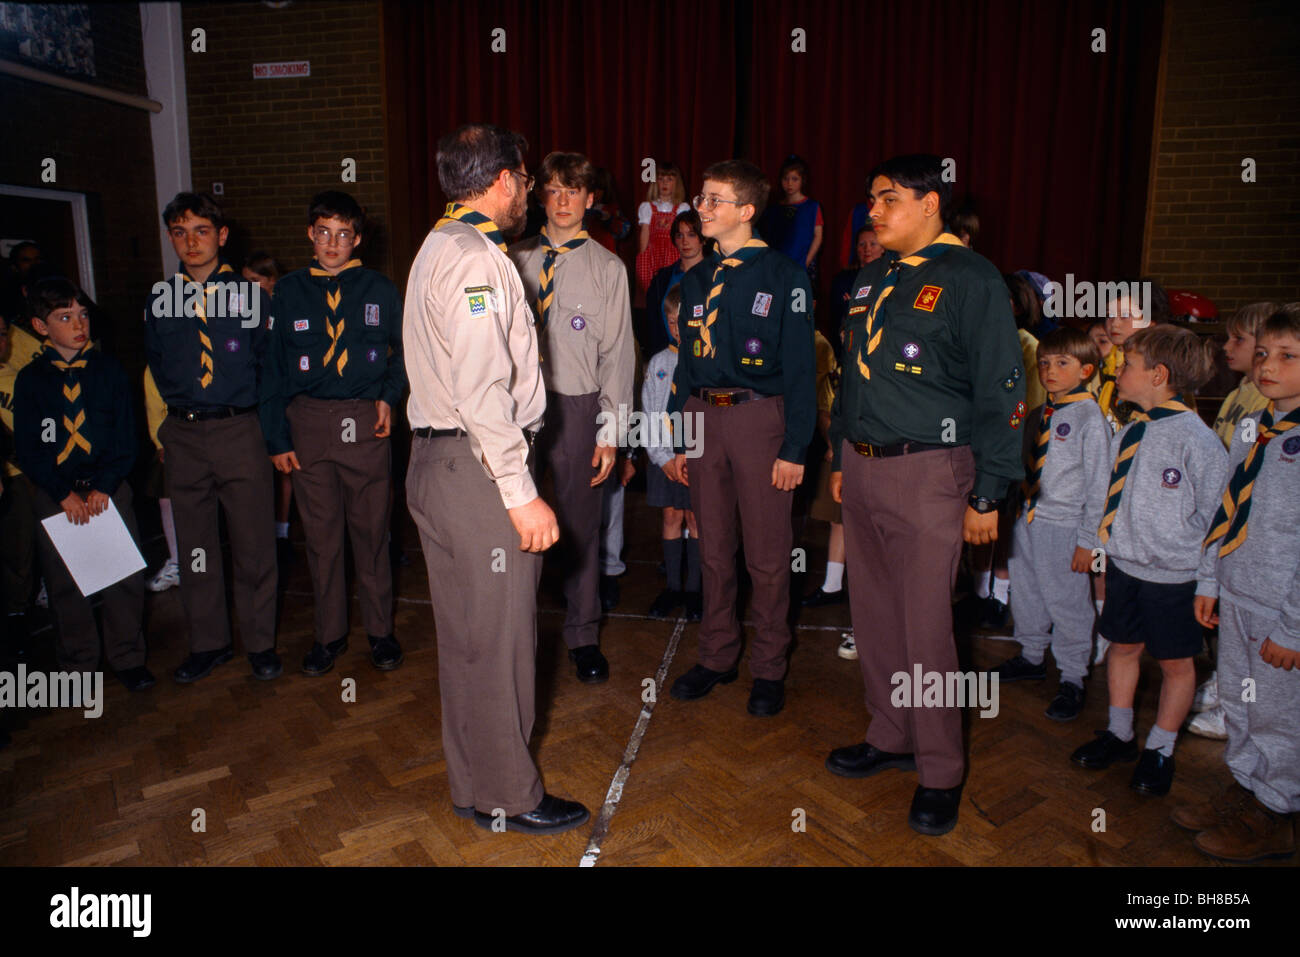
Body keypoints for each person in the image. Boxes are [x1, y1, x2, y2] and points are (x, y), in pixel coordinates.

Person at [825, 154, 1025, 836]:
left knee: (928, 627)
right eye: (870, 201)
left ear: (930, 203)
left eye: (887, 200)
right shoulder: (872, 276)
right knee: (874, 614)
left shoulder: (972, 278)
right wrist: (841, 450)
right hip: (865, 464)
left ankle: (939, 767)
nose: (873, 213)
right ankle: (889, 733)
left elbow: (1002, 392)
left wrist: (989, 493)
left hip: (933, 472)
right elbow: (853, 374)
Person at [403, 123, 588, 834]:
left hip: (439, 460)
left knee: (467, 642)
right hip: (479, 469)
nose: (532, 197)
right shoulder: (477, 258)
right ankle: (509, 793)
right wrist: (520, 489)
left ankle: (473, 783)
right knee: (505, 641)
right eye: (528, 182)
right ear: (506, 177)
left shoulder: (437, 243)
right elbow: (483, 388)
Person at [666, 159, 815, 718]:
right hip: (705, 420)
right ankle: (717, 654)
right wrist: (681, 436)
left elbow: (802, 370)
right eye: (701, 198)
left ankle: (770, 666)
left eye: (712, 200)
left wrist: (795, 448)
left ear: (746, 211)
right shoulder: (699, 277)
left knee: (770, 556)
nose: (700, 208)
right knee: (713, 548)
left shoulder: (785, 277)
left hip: (760, 421)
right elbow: (686, 366)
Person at [1070, 325, 1226, 797]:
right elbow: (1106, 495)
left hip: (1175, 578)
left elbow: (1218, 523)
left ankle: (1159, 748)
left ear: (1158, 375)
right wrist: (1094, 542)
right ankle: (1119, 734)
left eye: (1128, 365)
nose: (1118, 372)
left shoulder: (1199, 443)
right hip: (1124, 568)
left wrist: (1207, 582)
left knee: (1178, 665)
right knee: (1122, 648)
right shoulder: (1133, 429)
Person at [260, 191, 406, 675]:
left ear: (357, 239)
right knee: (322, 540)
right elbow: (273, 368)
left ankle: (381, 633)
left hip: (366, 421)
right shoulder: (288, 291)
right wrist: (277, 438)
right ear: (310, 234)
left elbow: (408, 352)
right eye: (323, 232)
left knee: (372, 534)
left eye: (344, 235)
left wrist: (389, 394)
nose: (332, 243)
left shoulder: (381, 290)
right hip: (309, 422)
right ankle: (329, 636)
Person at [508, 152, 634, 684]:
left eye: (573, 191)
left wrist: (612, 431)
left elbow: (620, 356)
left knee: (581, 522)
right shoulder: (511, 259)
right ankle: (516, 633)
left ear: (590, 199)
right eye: (554, 190)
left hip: (577, 406)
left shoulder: (608, 268)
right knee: (514, 519)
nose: (562, 201)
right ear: (541, 196)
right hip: (516, 411)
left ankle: (583, 633)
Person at [144, 192, 280, 683]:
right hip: (185, 434)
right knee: (196, 547)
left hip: (239, 430)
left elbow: (270, 369)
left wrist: (269, 431)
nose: (190, 242)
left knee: (253, 544)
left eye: (201, 231)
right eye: (179, 232)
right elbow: (157, 366)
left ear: (221, 236)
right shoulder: (161, 300)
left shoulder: (250, 297)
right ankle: (209, 643)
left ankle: (261, 642)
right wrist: (171, 423)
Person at [1185, 307, 1300, 862]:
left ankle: (1277, 812)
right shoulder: (1256, 429)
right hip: (1235, 594)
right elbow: (1224, 512)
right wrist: (1210, 579)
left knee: (1280, 717)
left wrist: (1294, 629)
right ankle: (1246, 786)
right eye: (1263, 353)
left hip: (1281, 611)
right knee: (1239, 700)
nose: (1267, 365)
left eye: (1287, 356)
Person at [13, 277, 151, 690]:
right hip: (57, 492)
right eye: (65, 317)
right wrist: (62, 493)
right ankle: (78, 663)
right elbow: (29, 446)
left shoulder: (109, 371)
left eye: (83, 315)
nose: (79, 325)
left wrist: (105, 486)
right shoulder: (31, 380)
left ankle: (127, 656)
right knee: (65, 581)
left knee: (123, 577)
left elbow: (128, 437)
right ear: (41, 327)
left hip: (108, 487)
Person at [991, 328, 1109, 721]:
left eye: (1062, 363)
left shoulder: (1090, 418)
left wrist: (1087, 541)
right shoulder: (1042, 413)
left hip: (1065, 524)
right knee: (1027, 591)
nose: (1050, 370)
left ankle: (1074, 676)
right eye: (1044, 363)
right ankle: (1031, 654)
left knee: (1068, 601)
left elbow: (1099, 487)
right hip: (1030, 515)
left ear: (1087, 369)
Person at [1188, 301, 1277, 741]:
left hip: (1252, 539)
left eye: (1239, 340)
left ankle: (1236, 703)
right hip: (1225, 524)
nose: (1227, 346)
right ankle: (1225, 687)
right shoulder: (1242, 392)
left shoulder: (1269, 401)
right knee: (1223, 624)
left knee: (1244, 635)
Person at [643, 285, 701, 620]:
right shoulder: (659, 363)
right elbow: (649, 412)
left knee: (696, 518)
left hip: (696, 460)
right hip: (664, 458)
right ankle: (673, 588)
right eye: (672, 321)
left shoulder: (705, 362)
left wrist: (695, 457)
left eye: (684, 321)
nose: (677, 328)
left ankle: (695, 589)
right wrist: (662, 457)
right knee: (670, 517)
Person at [0, 308, 44, 655]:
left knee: (31, 550)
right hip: (14, 476)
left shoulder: (21, 374)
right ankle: (16, 620)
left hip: (36, 473)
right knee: (17, 555)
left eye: (3, 333)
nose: (2, 342)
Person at [641, 211, 708, 360]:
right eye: (679, 235)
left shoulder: (717, 275)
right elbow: (653, 325)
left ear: (703, 238)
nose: (685, 241)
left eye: (691, 234)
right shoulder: (662, 279)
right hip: (668, 357)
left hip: (705, 358)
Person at [757, 155, 824, 281]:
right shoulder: (774, 208)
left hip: (801, 263)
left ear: (802, 180)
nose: (789, 184)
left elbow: (818, 236)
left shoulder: (812, 206)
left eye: (794, 179)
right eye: (786, 179)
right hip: (777, 265)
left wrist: (806, 261)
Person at [635, 161, 690, 293]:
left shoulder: (682, 208)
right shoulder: (648, 207)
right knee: (654, 291)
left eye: (670, 179)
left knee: (672, 291)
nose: (665, 183)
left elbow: (682, 234)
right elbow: (645, 232)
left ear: (676, 183)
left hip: (673, 254)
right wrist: (643, 256)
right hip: (653, 255)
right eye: (661, 179)